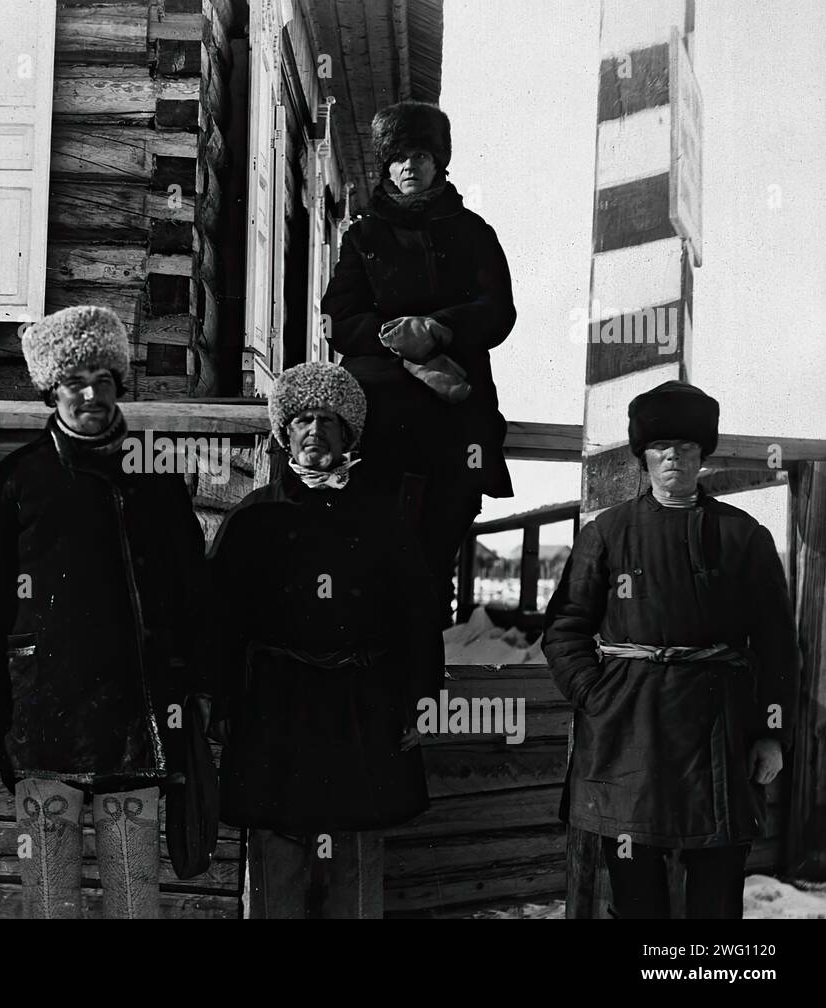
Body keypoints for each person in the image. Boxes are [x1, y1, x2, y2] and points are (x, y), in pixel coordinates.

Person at [0, 305, 207, 919]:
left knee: (133, 883)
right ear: (51, 389)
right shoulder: (18, 480)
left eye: (104, 379)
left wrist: (198, 683)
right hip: (40, 706)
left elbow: (193, 591)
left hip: (133, 713)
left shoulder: (156, 475)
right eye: (74, 381)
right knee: (47, 883)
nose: (91, 394)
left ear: (120, 384)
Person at [543, 380, 797, 919]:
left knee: (717, 887)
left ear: (702, 456)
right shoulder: (607, 533)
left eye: (686, 447)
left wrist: (772, 734)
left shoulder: (742, 534)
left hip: (720, 731)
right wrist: (596, 695)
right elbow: (565, 626)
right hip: (628, 726)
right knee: (636, 886)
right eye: (661, 448)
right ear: (644, 457)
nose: (673, 458)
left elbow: (777, 643)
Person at [205, 362, 443, 918]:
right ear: (285, 433)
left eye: (329, 421)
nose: (315, 431)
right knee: (276, 848)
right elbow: (218, 620)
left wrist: (420, 700)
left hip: (360, 702)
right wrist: (217, 699)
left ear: (349, 435)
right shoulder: (252, 519)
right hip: (274, 705)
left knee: (355, 846)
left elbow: (417, 617)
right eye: (303, 419)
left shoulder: (384, 520)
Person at [321, 101, 516, 626]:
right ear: (386, 165)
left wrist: (439, 328)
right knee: (369, 552)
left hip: (454, 415)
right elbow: (338, 320)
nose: (410, 167)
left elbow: (498, 311)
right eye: (399, 157)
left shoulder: (474, 233)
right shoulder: (362, 237)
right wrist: (394, 338)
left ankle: (424, 681)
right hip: (377, 416)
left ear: (440, 163)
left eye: (422, 156)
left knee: (434, 557)